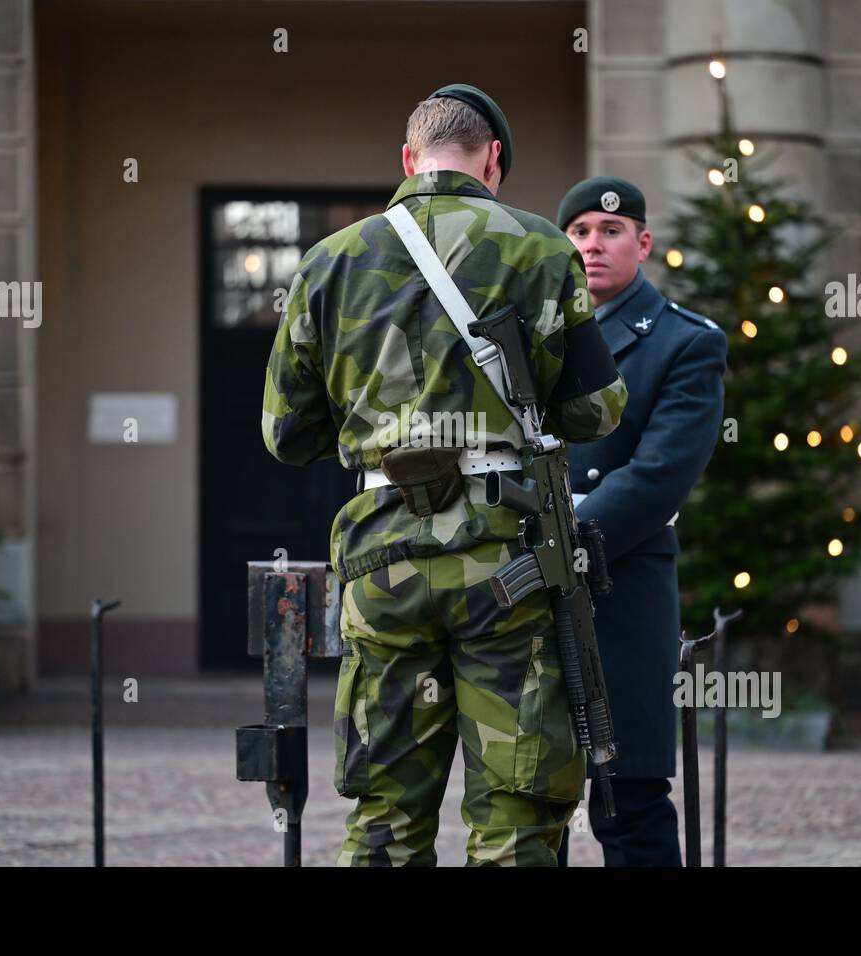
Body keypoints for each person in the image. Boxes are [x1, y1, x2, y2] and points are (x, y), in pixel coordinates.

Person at [261, 86, 628, 865]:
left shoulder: (329, 261)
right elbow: (596, 412)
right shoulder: (539, 248)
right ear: (493, 158)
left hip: (380, 560)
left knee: (385, 816)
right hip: (508, 563)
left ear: (408, 159)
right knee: (518, 816)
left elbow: (285, 434)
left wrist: (378, 429)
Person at [554, 176, 727, 867]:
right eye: (580, 233)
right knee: (529, 801)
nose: (594, 246)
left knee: (629, 806)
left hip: (616, 590)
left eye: (611, 231)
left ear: (643, 243)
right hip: (527, 593)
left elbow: (659, 477)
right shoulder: (540, 333)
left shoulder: (685, 343)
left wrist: (559, 543)